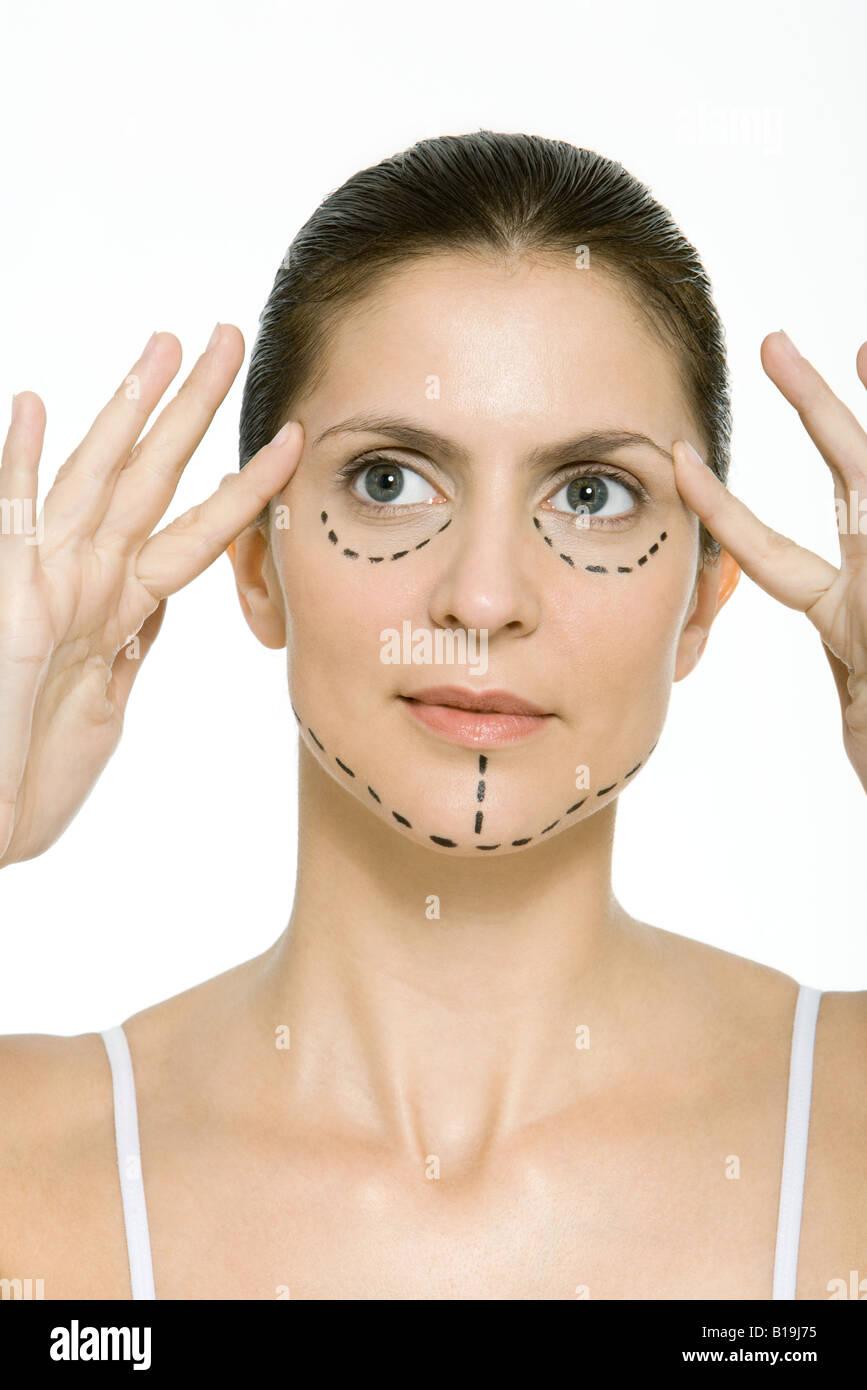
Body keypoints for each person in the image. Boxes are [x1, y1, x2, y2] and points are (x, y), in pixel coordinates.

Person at [0, 131, 864, 1301]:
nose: (485, 598)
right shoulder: (29, 1167)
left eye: (594, 495)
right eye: (391, 479)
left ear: (706, 596)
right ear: (255, 560)